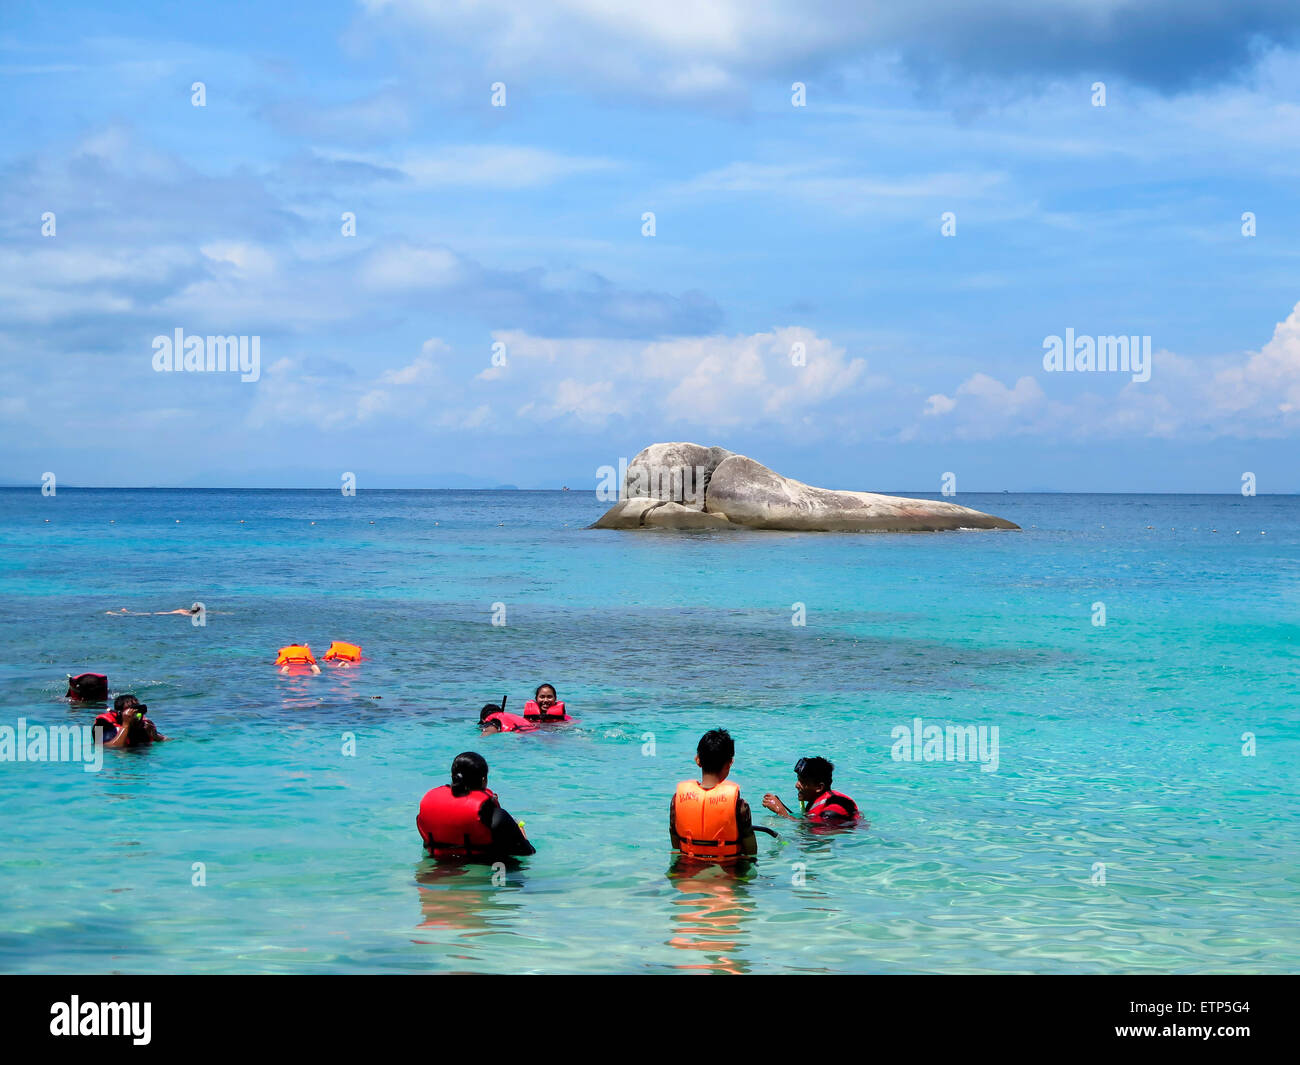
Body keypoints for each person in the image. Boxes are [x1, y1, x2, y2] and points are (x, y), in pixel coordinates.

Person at [416, 752, 535, 862]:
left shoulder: (433, 806)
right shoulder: (495, 815)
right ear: (484, 780)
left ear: (453, 777)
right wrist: (522, 834)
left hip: (437, 868)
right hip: (483, 873)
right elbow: (526, 852)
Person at [669, 729, 757, 863]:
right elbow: (751, 852)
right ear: (729, 764)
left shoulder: (677, 800)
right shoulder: (739, 806)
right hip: (726, 873)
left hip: (687, 873)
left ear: (698, 760)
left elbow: (676, 845)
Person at [762, 757, 860, 823]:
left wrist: (782, 813)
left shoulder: (831, 811)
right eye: (798, 780)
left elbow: (814, 836)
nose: (796, 785)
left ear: (819, 787)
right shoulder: (817, 801)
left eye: (802, 782)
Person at [94, 694, 167, 748]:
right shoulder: (104, 725)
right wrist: (126, 725)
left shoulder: (145, 725)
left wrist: (156, 736)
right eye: (131, 712)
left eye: (139, 711)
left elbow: (170, 740)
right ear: (120, 714)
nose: (138, 716)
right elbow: (108, 747)